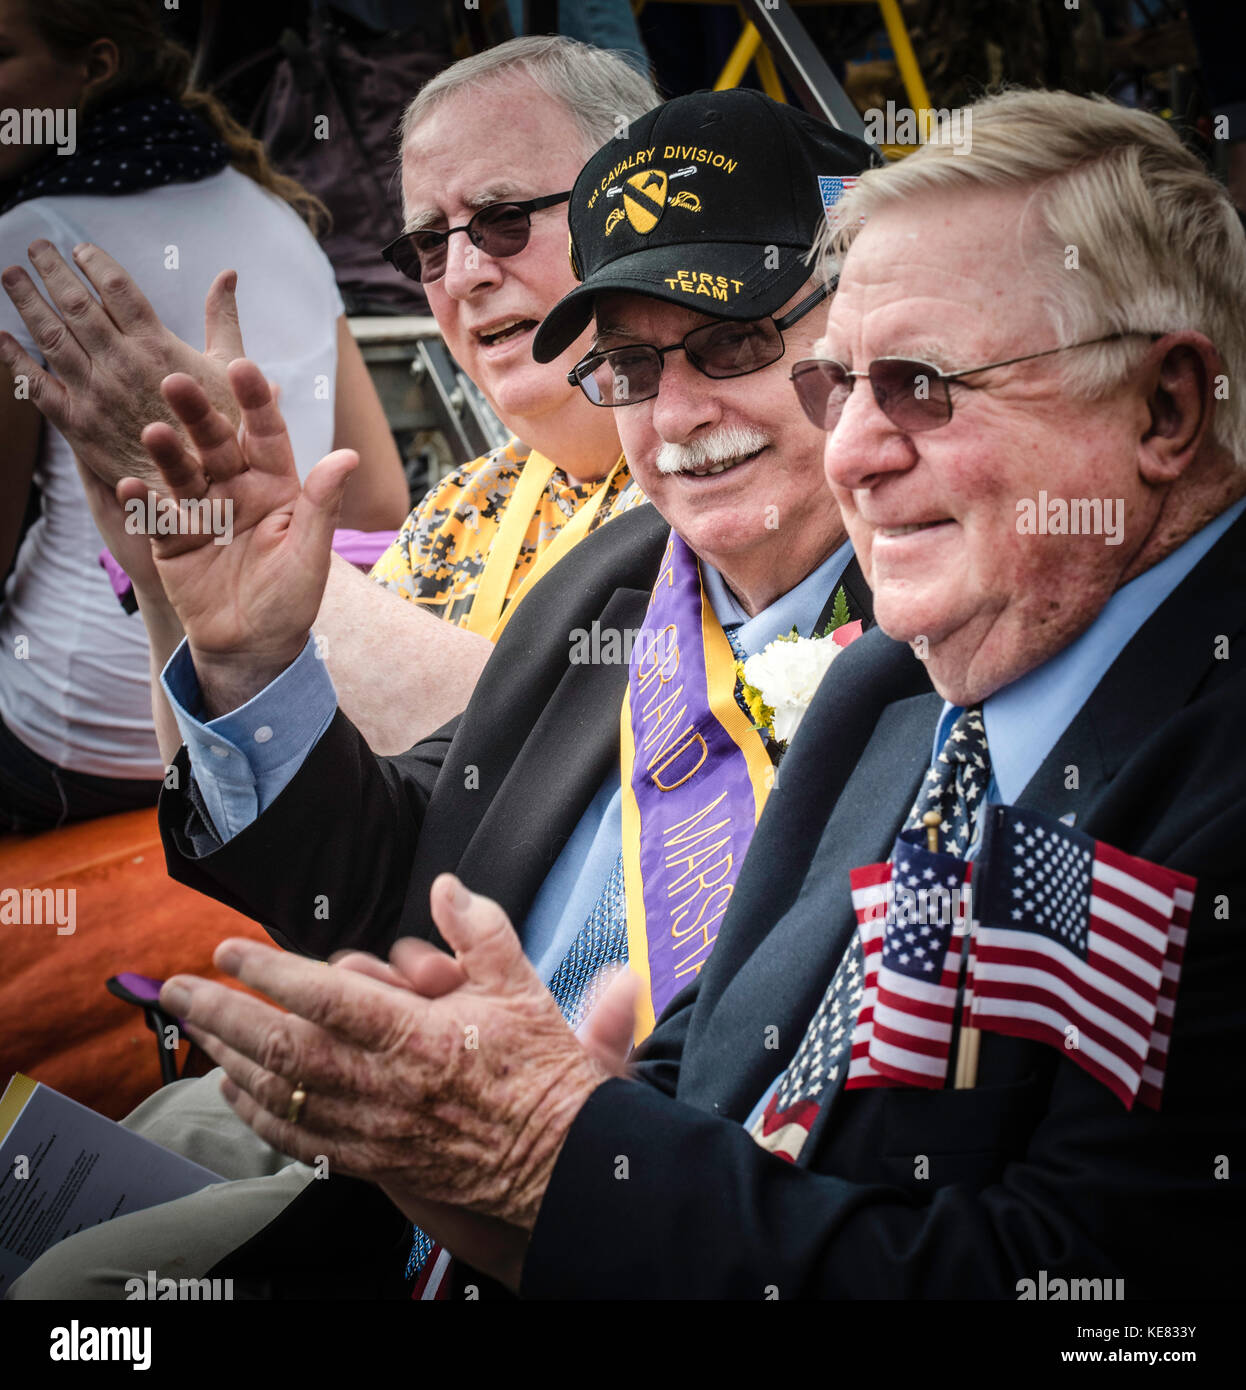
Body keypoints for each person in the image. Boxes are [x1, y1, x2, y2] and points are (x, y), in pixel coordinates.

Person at [125, 88, 1242, 1300]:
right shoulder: (831, 665)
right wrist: (248, 658)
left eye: (919, 382)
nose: (856, 445)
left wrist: (543, 1155)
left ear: (1165, 408)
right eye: (631, 366)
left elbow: (1093, 1293)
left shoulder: (1036, 679)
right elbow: (469, 937)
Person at [5, 88, 883, 1298]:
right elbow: (389, 889)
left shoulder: (938, 637)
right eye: (628, 363)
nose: (678, 411)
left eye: (732, 341)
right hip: (411, 1191)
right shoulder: (614, 580)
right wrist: (256, 657)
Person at [0, 35, 660, 762]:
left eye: (504, 218)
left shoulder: (715, 469)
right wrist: (170, 598)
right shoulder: (462, 504)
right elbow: (276, 816)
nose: (463, 275)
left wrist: (250, 530)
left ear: (644, 208)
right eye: (430, 243)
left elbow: (556, 764)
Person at [0, 0, 409, 830]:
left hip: (71, 733)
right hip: (283, 713)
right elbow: (375, 503)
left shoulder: (27, 243)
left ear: (96, 66)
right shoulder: (276, 216)